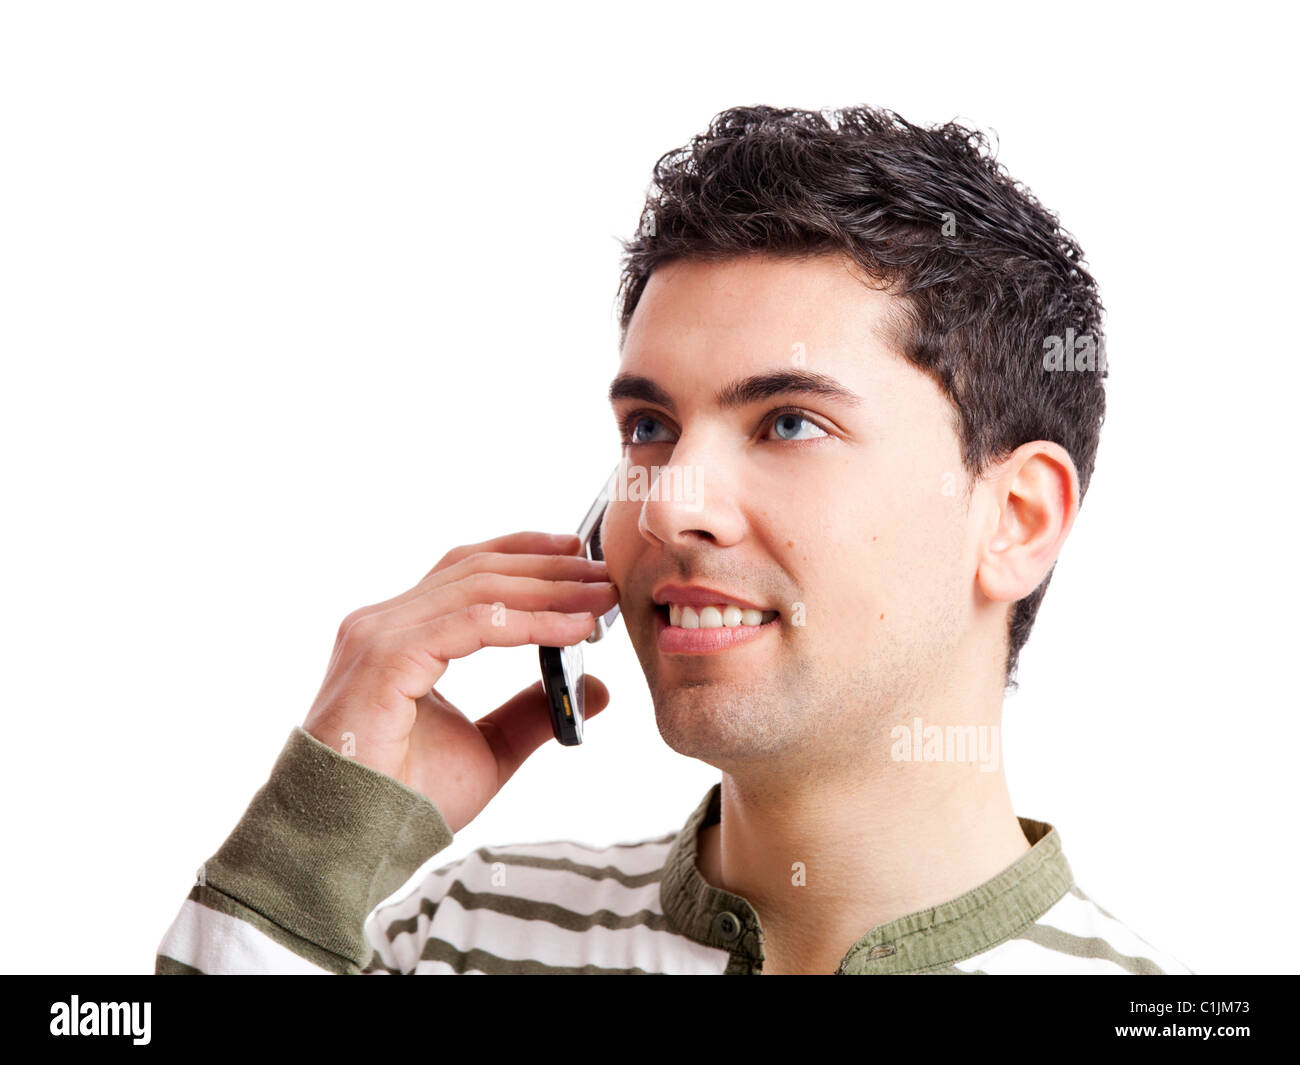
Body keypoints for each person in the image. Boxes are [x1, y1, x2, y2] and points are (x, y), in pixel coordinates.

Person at [155, 104, 1191, 975]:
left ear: (1015, 520)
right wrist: (315, 847)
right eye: (649, 428)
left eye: (788, 422)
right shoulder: (452, 936)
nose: (661, 507)